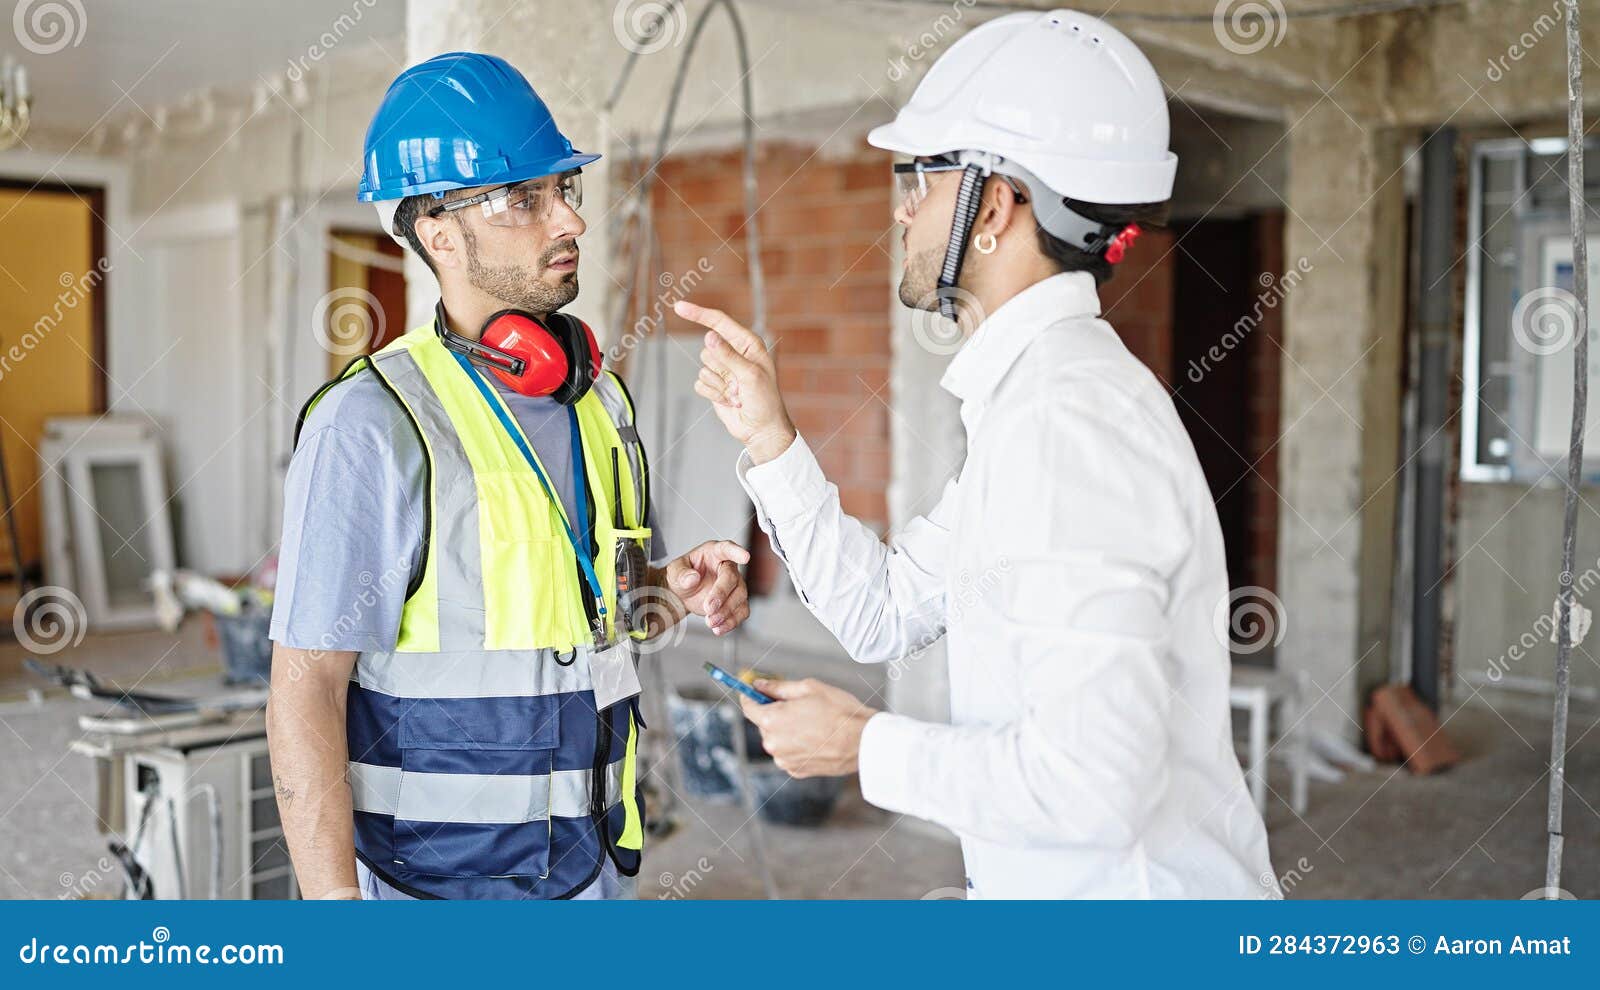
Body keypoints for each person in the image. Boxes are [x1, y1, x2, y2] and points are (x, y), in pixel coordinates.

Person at [679, 10, 1277, 898]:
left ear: (994, 205)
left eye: (922, 178)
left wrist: (863, 747)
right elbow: (881, 611)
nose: (902, 207)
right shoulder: (1029, 406)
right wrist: (769, 437)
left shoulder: (1069, 424)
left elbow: (1095, 787)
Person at [266, 52, 751, 901]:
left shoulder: (600, 400)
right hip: (437, 885)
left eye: (565, 188)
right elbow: (306, 687)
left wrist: (670, 587)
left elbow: (604, 615)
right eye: (524, 198)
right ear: (438, 233)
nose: (569, 220)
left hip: (595, 864)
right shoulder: (373, 422)